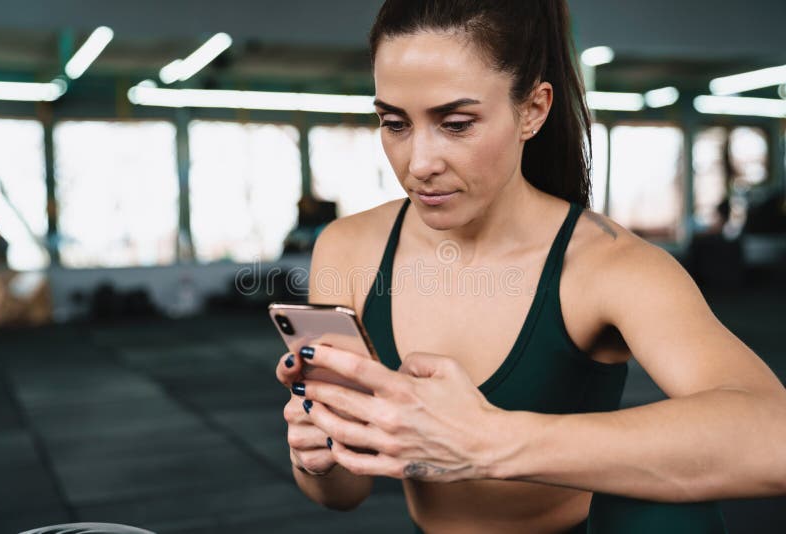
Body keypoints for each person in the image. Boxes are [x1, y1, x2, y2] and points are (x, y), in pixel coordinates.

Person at [275, 1, 786, 532]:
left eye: (456, 123)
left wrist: (488, 441)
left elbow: (774, 438)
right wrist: (318, 453)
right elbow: (341, 494)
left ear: (533, 110)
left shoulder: (606, 265)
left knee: (668, 513)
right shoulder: (348, 250)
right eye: (395, 123)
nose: (419, 163)